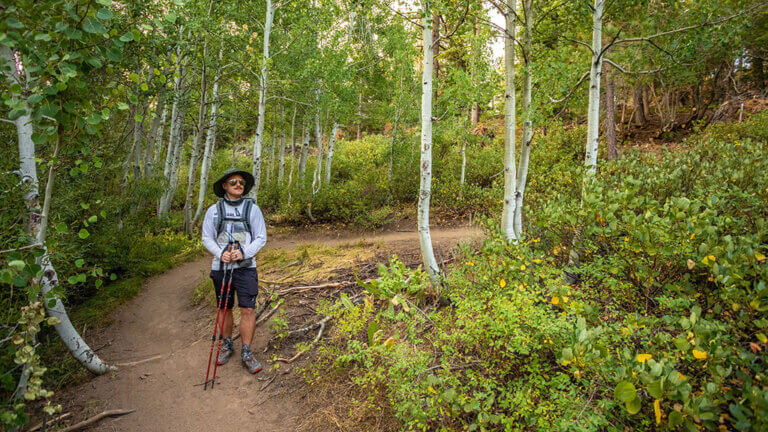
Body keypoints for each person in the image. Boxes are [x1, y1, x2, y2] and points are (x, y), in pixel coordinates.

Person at [202, 169, 266, 374]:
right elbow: (206, 238)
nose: (238, 185)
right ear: (224, 186)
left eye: (241, 182)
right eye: (233, 182)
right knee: (224, 307)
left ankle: (246, 352)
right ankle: (227, 344)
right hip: (221, 267)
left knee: (247, 309)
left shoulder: (253, 209)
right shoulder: (213, 210)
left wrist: (244, 253)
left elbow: (261, 237)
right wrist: (221, 253)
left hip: (246, 268)